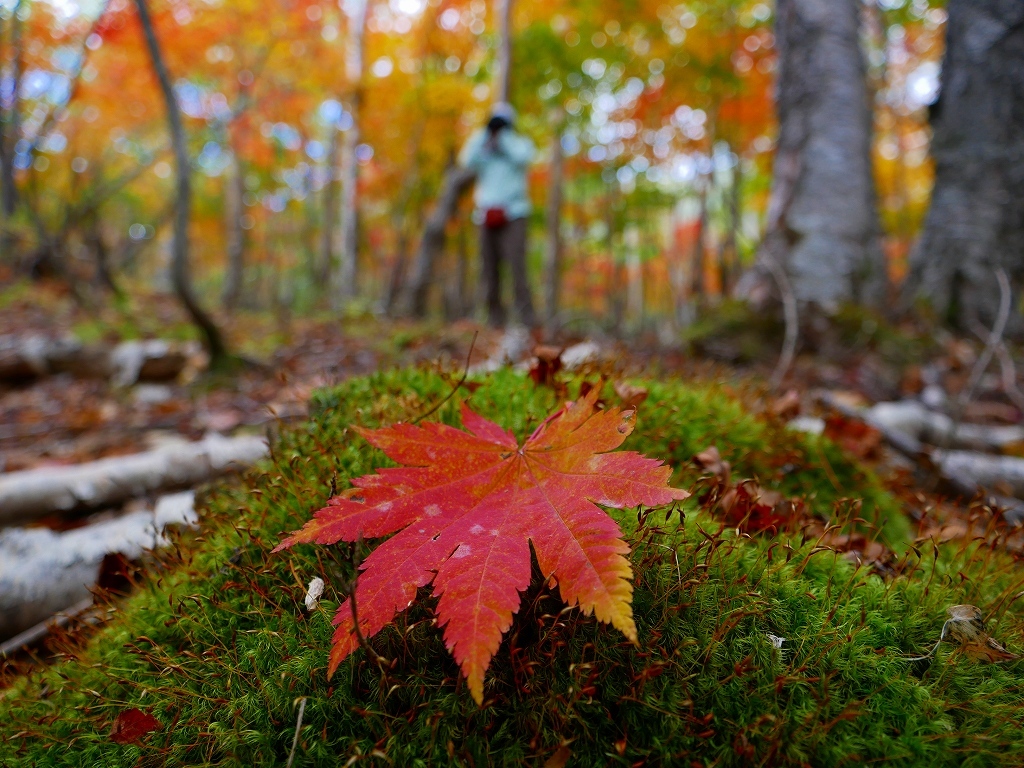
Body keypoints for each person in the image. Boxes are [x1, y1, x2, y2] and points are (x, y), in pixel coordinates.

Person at [459, 103, 537, 328]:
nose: (497, 129)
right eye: (495, 124)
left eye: (502, 124)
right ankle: (495, 321)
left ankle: (526, 321)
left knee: (517, 267)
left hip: (514, 214)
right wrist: (485, 132)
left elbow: (523, 157)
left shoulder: (519, 144)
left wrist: (503, 136)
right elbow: (466, 160)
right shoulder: (483, 150)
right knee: (488, 269)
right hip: (485, 215)